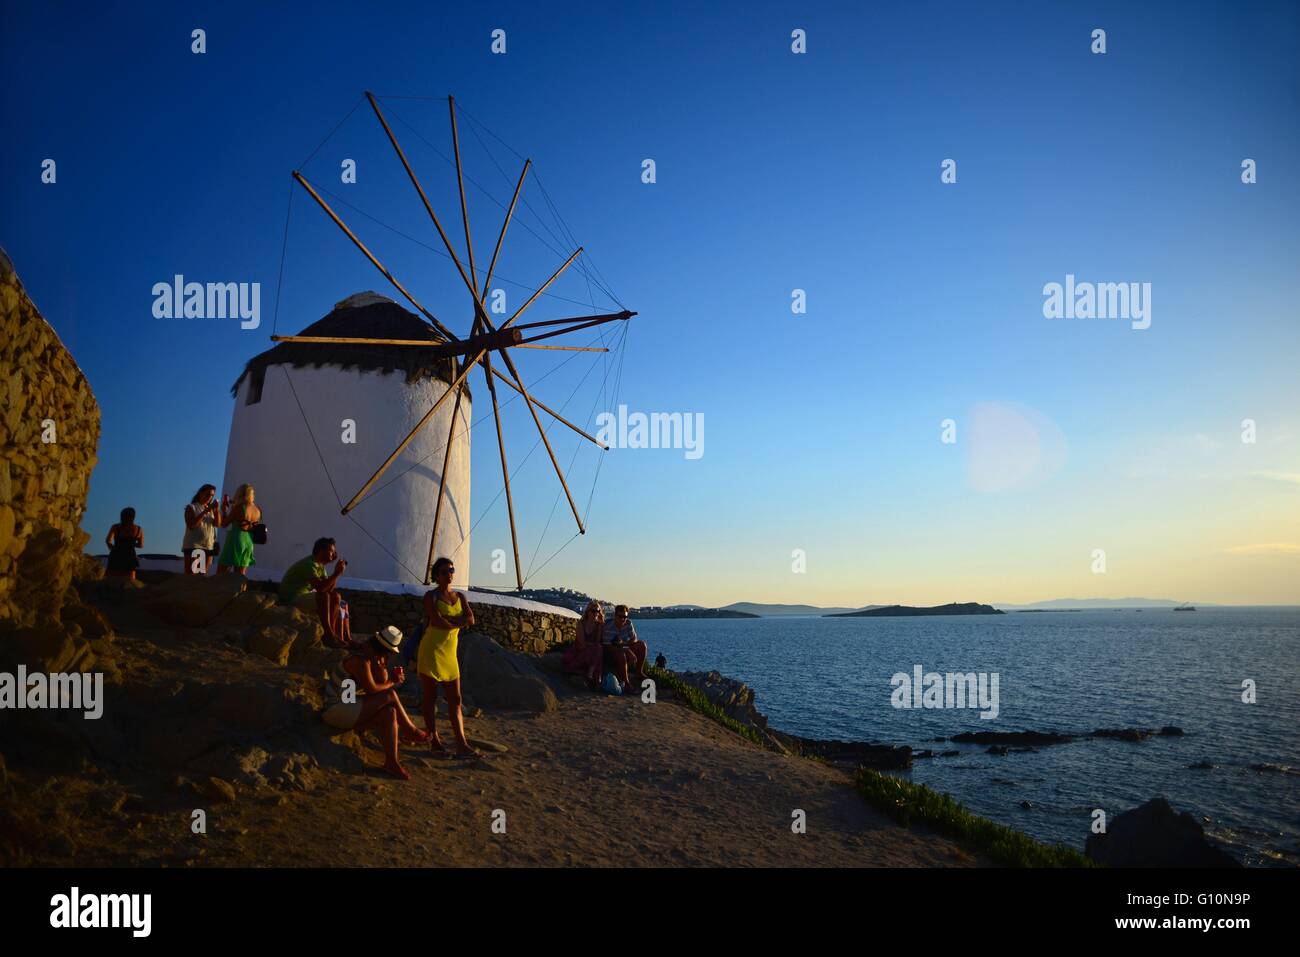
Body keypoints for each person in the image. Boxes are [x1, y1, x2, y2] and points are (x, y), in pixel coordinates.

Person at [336, 626, 430, 780]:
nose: (390, 656)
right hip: (338, 708)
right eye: (389, 653)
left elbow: (380, 682)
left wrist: (382, 666)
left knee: (390, 713)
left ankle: (391, 763)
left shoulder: (369, 658)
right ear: (382, 649)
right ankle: (410, 731)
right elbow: (373, 690)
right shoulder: (359, 660)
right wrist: (392, 682)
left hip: (349, 705)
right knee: (390, 694)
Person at [418, 557, 479, 759]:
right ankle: (434, 741)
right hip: (432, 650)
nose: (449, 574)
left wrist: (452, 621)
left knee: (456, 698)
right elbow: (437, 621)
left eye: (451, 570)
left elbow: (471, 619)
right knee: (430, 696)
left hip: (449, 653)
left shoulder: (460, 597)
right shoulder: (430, 596)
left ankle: (461, 743)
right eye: (444, 571)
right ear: (436, 576)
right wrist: (459, 622)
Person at [279, 537, 352, 648]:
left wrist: (337, 573)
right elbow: (321, 589)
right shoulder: (309, 564)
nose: (334, 554)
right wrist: (336, 573)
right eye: (331, 551)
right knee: (324, 596)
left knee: (339, 600)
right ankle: (329, 634)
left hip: (304, 597)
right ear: (321, 550)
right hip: (291, 598)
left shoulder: (320, 566)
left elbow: (330, 589)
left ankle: (345, 638)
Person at [216, 483, 260, 575]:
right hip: (249, 541)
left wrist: (224, 510)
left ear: (240, 494)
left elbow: (224, 524)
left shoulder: (239, 508)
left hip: (236, 539)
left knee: (221, 572)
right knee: (241, 574)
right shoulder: (257, 510)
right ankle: (240, 590)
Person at [604, 604, 649, 690]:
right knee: (621, 654)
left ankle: (639, 672)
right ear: (615, 615)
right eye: (620, 616)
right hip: (611, 652)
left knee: (642, 645)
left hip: (622, 647)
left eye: (625, 617)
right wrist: (626, 650)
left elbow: (634, 638)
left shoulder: (628, 623)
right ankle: (626, 683)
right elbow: (608, 646)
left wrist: (625, 645)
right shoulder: (608, 626)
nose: (622, 619)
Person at [563, 600, 605, 688]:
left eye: (598, 611)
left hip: (593, 652)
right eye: (593, 611)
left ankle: (592, 675)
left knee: (598, 648)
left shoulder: (599, 625)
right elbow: (582, 643)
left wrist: (593, 645)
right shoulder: (581, 624)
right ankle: (594, 676)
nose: (596, 613)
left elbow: (597, 642)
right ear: (588, 612)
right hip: (580, 651)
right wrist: (592, 645)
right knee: (597, 650)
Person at [182, 484, 220, 575]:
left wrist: (216, 510)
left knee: (201, 576)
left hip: (208, 545)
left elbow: (217, 524)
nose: (209, 497)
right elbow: (192, 525)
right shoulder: (192, 507)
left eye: (212, 495)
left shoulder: (210, 510)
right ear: (200, 493)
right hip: (195, 545)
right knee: (192, 574)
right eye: (207, 494)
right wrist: (205, 511)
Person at [105, 508, 143, 580]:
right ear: (133, 517)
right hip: (130, 556)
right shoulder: (138, 529)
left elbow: (108, 541)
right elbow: (141, 545)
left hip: (116, 555)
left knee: (111, 580)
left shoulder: (115, 527)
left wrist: (113, 549)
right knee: (129, 582)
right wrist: (131, 544)